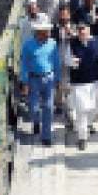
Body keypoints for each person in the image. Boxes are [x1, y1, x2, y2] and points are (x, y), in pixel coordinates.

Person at [65, 16, 98, 150]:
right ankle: (82, 138)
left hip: (95, 83)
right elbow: (66, 60)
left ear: (89, 30)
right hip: (78, 84)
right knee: (81, 110)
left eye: (84, 29)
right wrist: (72, 62)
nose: (82, 32)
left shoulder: (97, 43)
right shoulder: (71, 43)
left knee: (95, 109)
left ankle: (87, 126)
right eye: (80, 30)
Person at [20, 13, 61, 146]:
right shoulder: (27, 45)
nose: (49, 33)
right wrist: (24, 82)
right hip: (34, 79)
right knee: (34, 107)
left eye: (48, 30)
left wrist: (58, 79)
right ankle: (36, 121)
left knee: (48, 107)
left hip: (48, 78)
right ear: (39, 32)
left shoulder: (53, 44)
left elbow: (56, 62)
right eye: (46, 31)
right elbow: (24, 64)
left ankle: (46, 136)